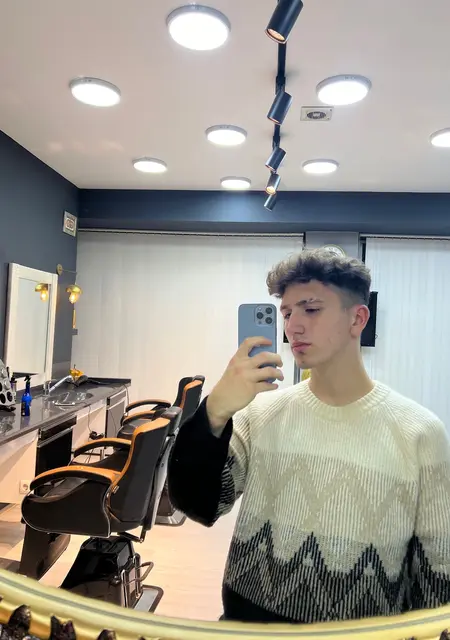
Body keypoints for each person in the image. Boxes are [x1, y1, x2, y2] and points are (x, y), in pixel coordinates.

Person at [168, 248, 450, 624]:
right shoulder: (261, 414)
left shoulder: (419, 433)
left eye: (311, 309)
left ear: (358, 318)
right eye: (286, 313)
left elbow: (437, 576)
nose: (293, 327)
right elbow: (197, 504)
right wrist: (215, 412)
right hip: (249, 631)